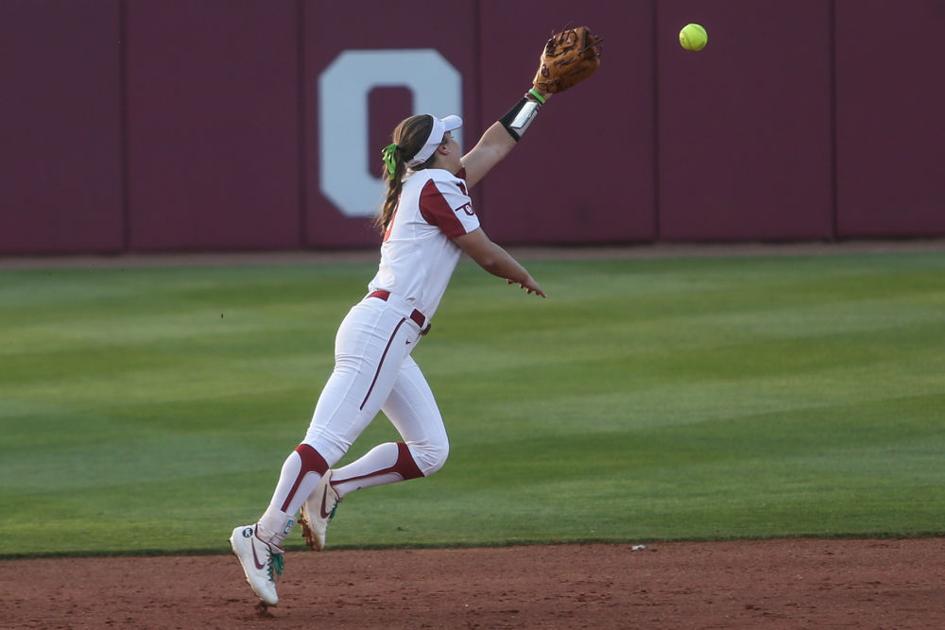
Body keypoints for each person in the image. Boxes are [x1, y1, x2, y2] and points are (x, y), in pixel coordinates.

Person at [230, 83, 559, 606]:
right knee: (325, 439)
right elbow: (487, 254)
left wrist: (538, 93)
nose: (459, 142)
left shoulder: (429, 182)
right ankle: (262, 534)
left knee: (430, 450)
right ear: (439, 152)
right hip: (383, 330)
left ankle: (333, 487)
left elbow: (496, 144)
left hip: (389, 333)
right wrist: (523, 274)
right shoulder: (437, 187)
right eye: (451, 138)